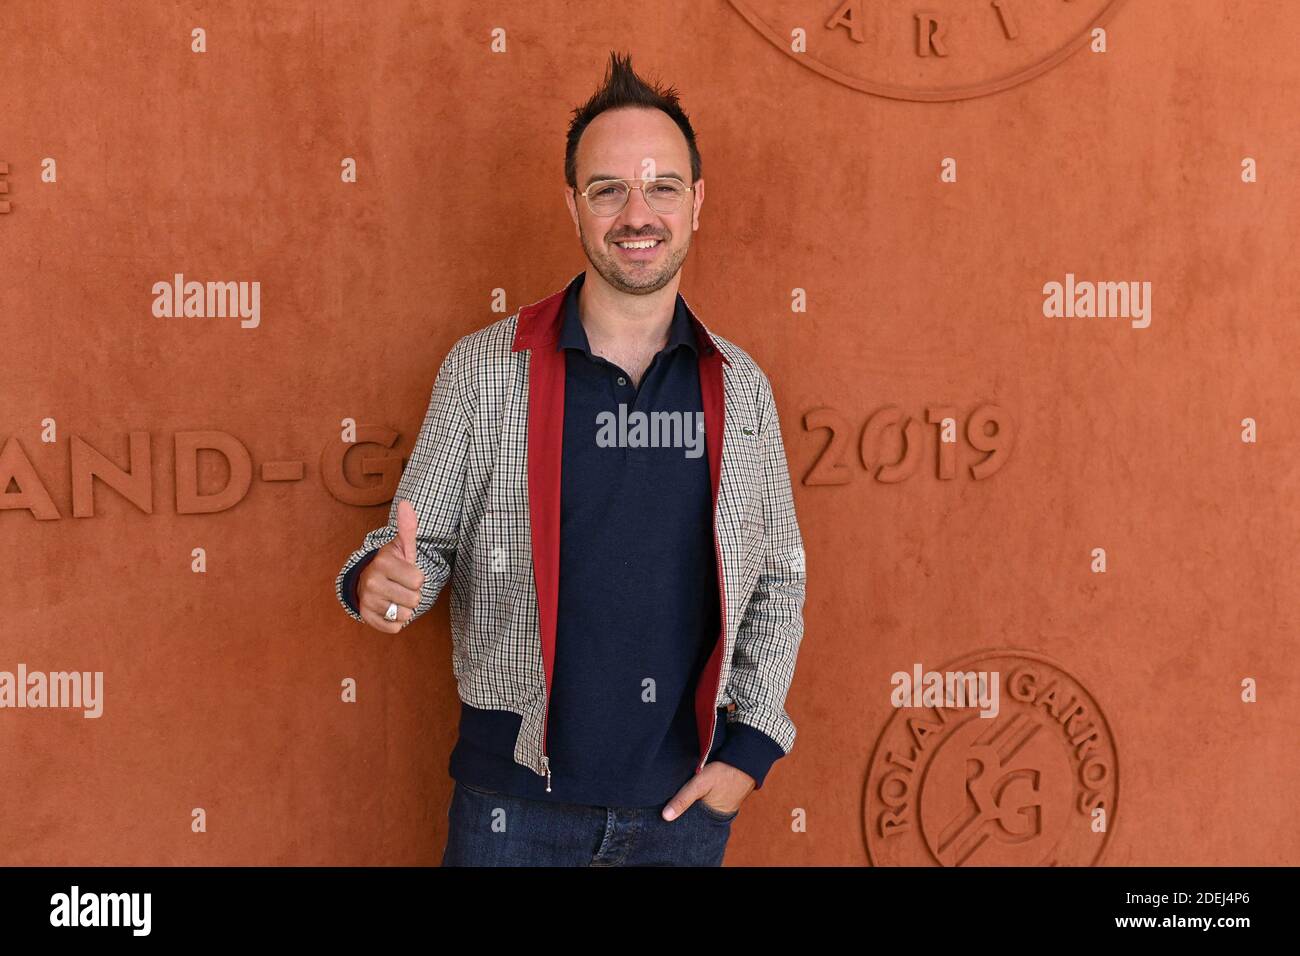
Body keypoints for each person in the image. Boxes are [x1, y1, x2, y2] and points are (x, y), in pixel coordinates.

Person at [334, 51, 807, 867]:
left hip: (681, 816)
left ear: (696, 201)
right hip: (511, 812)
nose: (637, 213)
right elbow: (418, 545)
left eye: (661, 186)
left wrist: (750, 752)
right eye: (608, 188)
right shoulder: (487, 368)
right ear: (573, 206)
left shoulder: (742, 386)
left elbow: (781, 578)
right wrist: (377, 577)